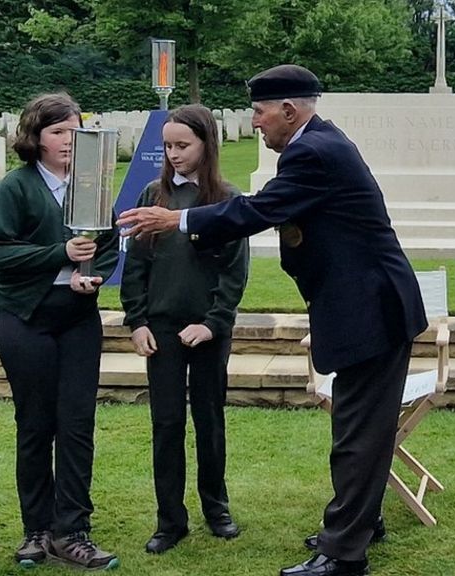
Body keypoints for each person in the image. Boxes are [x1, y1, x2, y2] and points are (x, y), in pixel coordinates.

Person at [117, 65, 427, 576]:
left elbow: (259, 211)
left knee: (358, 432)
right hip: (366, 306)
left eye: (259, 113)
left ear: (289, 110)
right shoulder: (320, 142)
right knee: (362, 427)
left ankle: (344, 553)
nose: (255, 123)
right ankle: (358, 522)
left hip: (370, 311)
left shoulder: (313, 151)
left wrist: (179, 219)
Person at [0, 93, 120, 570]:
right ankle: (37, 528)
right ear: (36, 137)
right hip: (25, 317)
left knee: (77, 425)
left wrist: (93, 273)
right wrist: (60, 255)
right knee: (36, 423)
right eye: (58, 131)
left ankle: (72, 529)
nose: (67, 139)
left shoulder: (92, 183)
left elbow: (107, 244)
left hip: (78, 318)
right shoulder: (15, 188)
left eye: (74, 130)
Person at [120, 105, 249, 555]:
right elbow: (135, 266)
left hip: (207, 331)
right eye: (167, 146)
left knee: (209, 420)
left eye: (182, 145)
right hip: (161, 329)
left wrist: (213, 324)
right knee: (167, 423)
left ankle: (217, 508)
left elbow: (235, 272)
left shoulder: (226, 199)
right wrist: (137, 322)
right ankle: (169, 520)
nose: (173, 154)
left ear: (205, 145)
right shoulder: (150, 197)